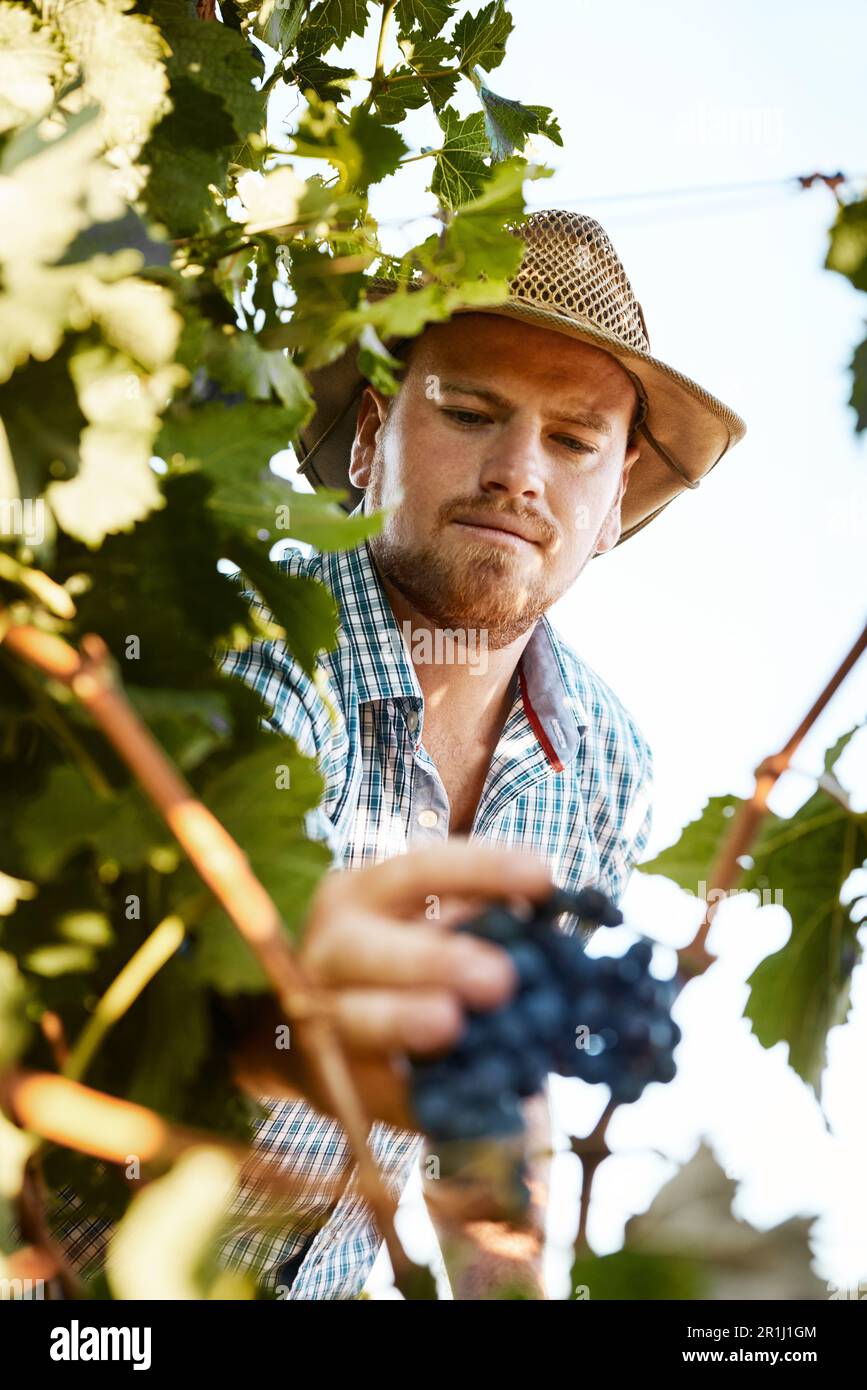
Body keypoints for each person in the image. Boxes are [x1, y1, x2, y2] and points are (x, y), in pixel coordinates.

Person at [50, 209, 745, 1298]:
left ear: (614, 506)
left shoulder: (608, 765)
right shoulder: (237, 638)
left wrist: (500, 1265)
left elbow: (505, 1097)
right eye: (469, 412)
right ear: (370, 437)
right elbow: (200, 967)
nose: (520, 471)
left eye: (573, 442)